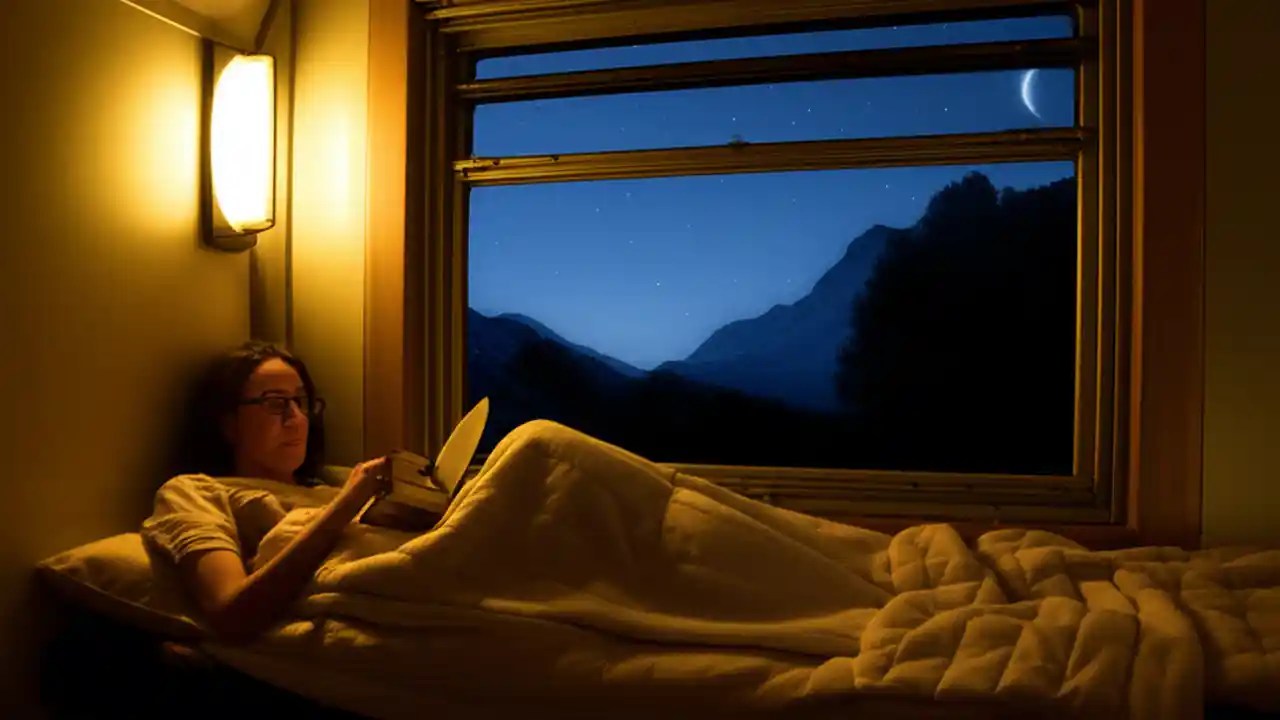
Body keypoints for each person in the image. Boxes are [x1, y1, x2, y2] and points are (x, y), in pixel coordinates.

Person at [142, 341, 393, 644]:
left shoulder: (333, 481)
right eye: (275, 402)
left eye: (301, 401)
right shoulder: (195, 491)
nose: (297, 418)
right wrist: (346, 504)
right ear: (228, 423)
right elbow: (231, 613)